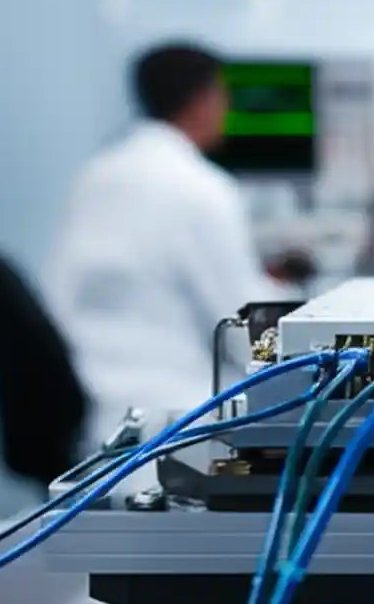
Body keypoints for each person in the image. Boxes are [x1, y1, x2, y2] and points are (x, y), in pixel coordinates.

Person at [44, 43, 283, 447]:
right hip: (173, 416)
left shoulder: (98, 173)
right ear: (202, 101)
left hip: (92, 403)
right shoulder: (200, 187)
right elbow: (246, 334)